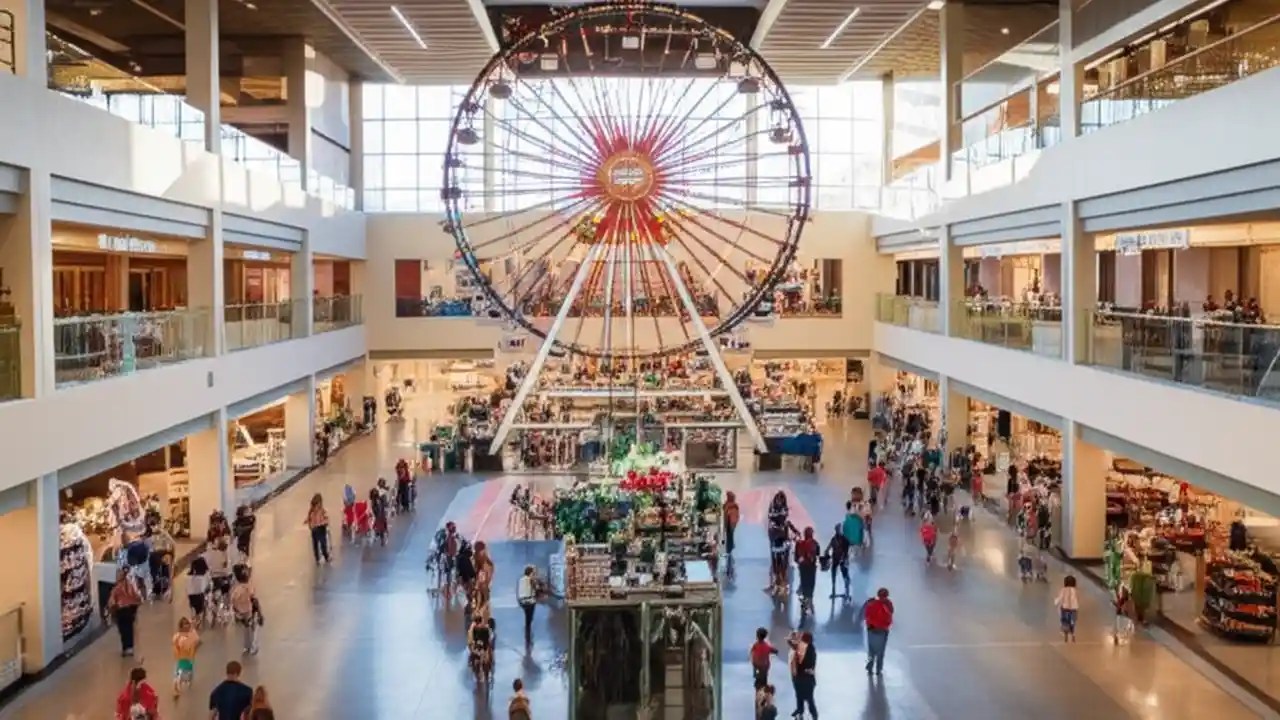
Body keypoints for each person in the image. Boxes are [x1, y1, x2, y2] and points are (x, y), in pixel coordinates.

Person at [108, 567, 143, 657]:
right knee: (129, 629)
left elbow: (111, 602)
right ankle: (130, 648)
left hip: (121, 611)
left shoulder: (116, 588)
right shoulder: (130, 585)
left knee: (123, 630)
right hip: (130, 610)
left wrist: (111, 611)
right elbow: (137, 596)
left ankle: (125, 648)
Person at [230, 564, 262, 655]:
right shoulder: (249, 588)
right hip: (248, 611)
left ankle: (246, 646)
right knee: (251, 629)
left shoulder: (236, 590)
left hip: (240, 612)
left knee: (246, 629)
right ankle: (252, 646)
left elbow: (233, 601)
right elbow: (254, 600)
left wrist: (237, 613)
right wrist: (259, 613)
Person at [862, 587, 894, 675]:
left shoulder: (871, 603)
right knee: (880, 651)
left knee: (871, 650)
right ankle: (878, 668)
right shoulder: (888, 604)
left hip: (872, 629)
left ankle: (870, 665)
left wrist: (869, 625)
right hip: (882, 630)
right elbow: (890, 616)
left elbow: (867, 615)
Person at [788, 630, 818, 719]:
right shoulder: (812, 649)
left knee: (801, 696)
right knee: (809, 697)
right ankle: (812, 714)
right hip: (808, 677)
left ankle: (802, 711)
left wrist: (791, 637)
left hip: (801, 677)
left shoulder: (802, 648)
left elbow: (791, 643)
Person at [172, 616, 200, 697]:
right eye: (185, 624)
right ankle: (176, 689)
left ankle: (180, 685)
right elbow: (176, 646)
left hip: (189, 659)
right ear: (181, 626)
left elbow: (198, 641)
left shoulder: (191, 634)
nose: (187, 626)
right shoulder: (178, 636)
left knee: (188, 676)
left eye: (188, 624)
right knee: (179, 674)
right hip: (182, 659)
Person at [794, 526, 820, 612]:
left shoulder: (799, 544)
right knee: (811, 584)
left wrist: (800, 561)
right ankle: (810, 600)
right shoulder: (815, 543)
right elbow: (818, 554)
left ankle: (805, 601)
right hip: (811, 568)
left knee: (804, 582)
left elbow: (796, 558)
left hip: (803, 567)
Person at [305, 493, 331, 564]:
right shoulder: (311, 512)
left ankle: (326, 556)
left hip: (321, 528)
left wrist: (325, 523)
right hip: (315, 530)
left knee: (323, 543)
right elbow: (309, 519)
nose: (317, 506)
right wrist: (309, 524)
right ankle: (317, 558)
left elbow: (326, 518)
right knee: (315, 544)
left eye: (319, 504)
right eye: (316, 504)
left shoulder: (322, 510)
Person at [825, 523, 850, 598]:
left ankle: (839, 589)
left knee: (839, 573)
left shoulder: (837, 539)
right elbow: (828, 548)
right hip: (839, 558)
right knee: (843, 574)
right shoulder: (843, 539)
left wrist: (827, 554)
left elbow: (828, 548)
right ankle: (845, 589)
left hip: (838, 558)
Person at [187, 555, 211, 628]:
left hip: (191, 595)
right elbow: (206, 587)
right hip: (200, 595)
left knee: (194, 607)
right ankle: (199, 617)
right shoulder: (205, 576)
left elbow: (187, 588)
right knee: (201, 604)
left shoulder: (189, 577)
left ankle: (195, 618)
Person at [1055, 575, 1080, 642]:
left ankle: (1065, 632)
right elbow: (1077, 598)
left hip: (1065, 608)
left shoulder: (1063, 590)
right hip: (1074, 608)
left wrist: (1056, 602)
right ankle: (1073, 633)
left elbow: (1060, 598)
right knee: (1073, 621)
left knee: (1064, 620)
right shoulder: (1075, 590)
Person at [517, 564, 538, 641]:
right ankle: (528, 630)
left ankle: (527, 626)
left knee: (527, 615)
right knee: (530, 615)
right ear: (530, 573)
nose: (534, 574)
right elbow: (536, 588)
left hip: (521, 601)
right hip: (529, 601)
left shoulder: (521, 579)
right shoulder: (531, 579)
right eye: (534, 573)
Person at [723, 491, 740, 557]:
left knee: (730, 536)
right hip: (729, 523)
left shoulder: (731, 505)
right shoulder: (730, 505)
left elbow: (734, 515)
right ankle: (729, 550)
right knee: (729, 536)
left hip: (730, 523)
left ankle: (729, 550)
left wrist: (733, 523)